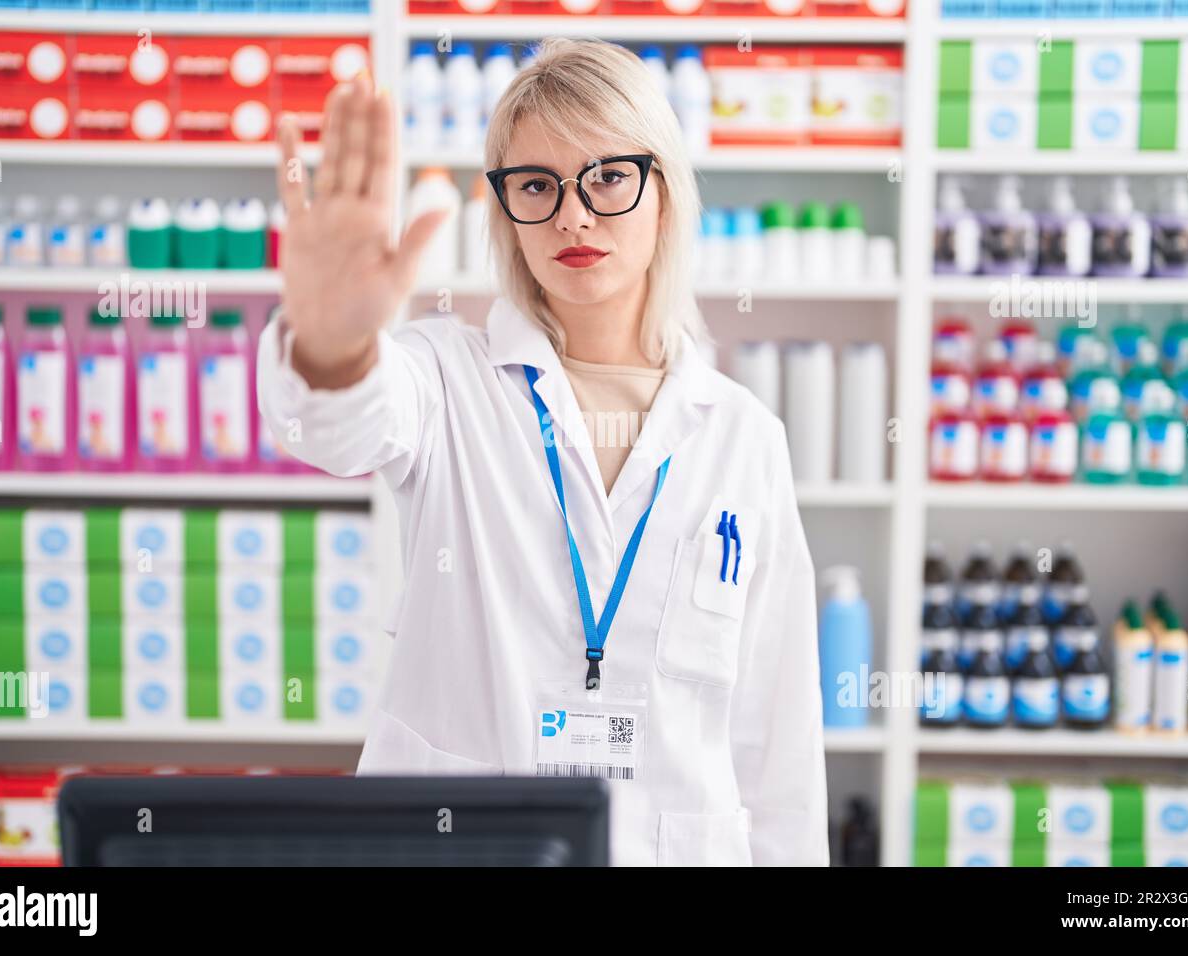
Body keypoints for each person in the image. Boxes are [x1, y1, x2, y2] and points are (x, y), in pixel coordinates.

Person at [259, 37, 828, 866]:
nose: (572, 214)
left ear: (663, 194)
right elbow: (334, 424)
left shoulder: (742, 436)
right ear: (504, 210)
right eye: (536, 185)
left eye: (607, 178)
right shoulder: (443, 377)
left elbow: (780, 754)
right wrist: (334, 342)